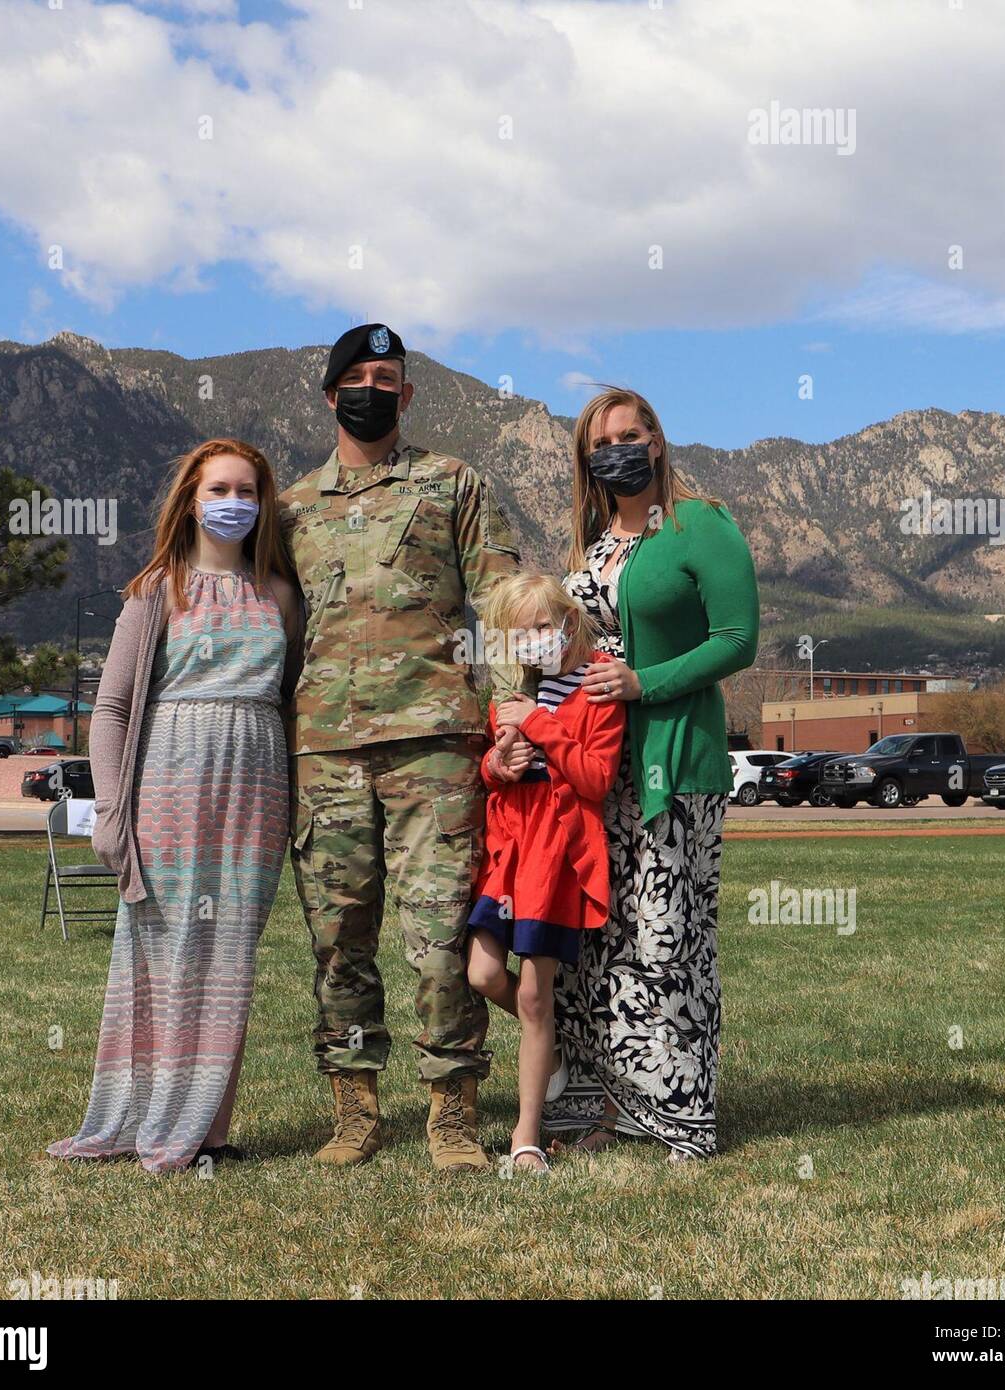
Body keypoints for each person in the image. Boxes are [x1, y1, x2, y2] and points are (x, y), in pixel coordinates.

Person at [278, 323, 524, 1172]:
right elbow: (268, 623)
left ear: (407, 395)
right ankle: (354, 1111)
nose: (372, 388)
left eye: (388, 377)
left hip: (435, 744)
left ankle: (452, 1114)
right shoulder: (292, 508)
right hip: (325, 749)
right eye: (357, 376)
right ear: (329, 393)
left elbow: (501, 601)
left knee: (442, 935)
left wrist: (516, 711)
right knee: (338, 937)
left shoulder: (452, 483)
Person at [49, 438, 304, 1173]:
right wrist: (109, 811)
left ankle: (208, 1133)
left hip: (255, 790)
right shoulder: (156, 589)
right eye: (220, 487)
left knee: (230, 957)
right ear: (192, 498)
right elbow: (113, 709)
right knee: (161, 952)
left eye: (249, 491)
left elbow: (287, 703)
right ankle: (146, 1120)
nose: (234, 502)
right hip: (169, 782)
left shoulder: (281, 597)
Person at [541, 387, 759, 1161]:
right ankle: (612, 1104)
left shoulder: (700, 524)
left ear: (657, 442)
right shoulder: (594, 544)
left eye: (631, 436)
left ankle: (682, 1115)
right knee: (599, 941)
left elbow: (737, 639)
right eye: (602, 443)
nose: (618, 451)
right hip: (597, 768)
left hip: (674, 763)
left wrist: (645, 682)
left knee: (667, 938)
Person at [465, 572, 625, 1172]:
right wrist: (498, 762)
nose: (533, 639)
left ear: (568, 621)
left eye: (542, 625)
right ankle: (555, 1049)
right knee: (482, 973)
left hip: (555, 857)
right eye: (519, 632)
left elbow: (594, 779)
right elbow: (491, 766)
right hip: (507, 851)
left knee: (535, 993)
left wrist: (540, 726)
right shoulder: (511, 694)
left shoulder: (597, 686)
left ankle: (525, 1137)